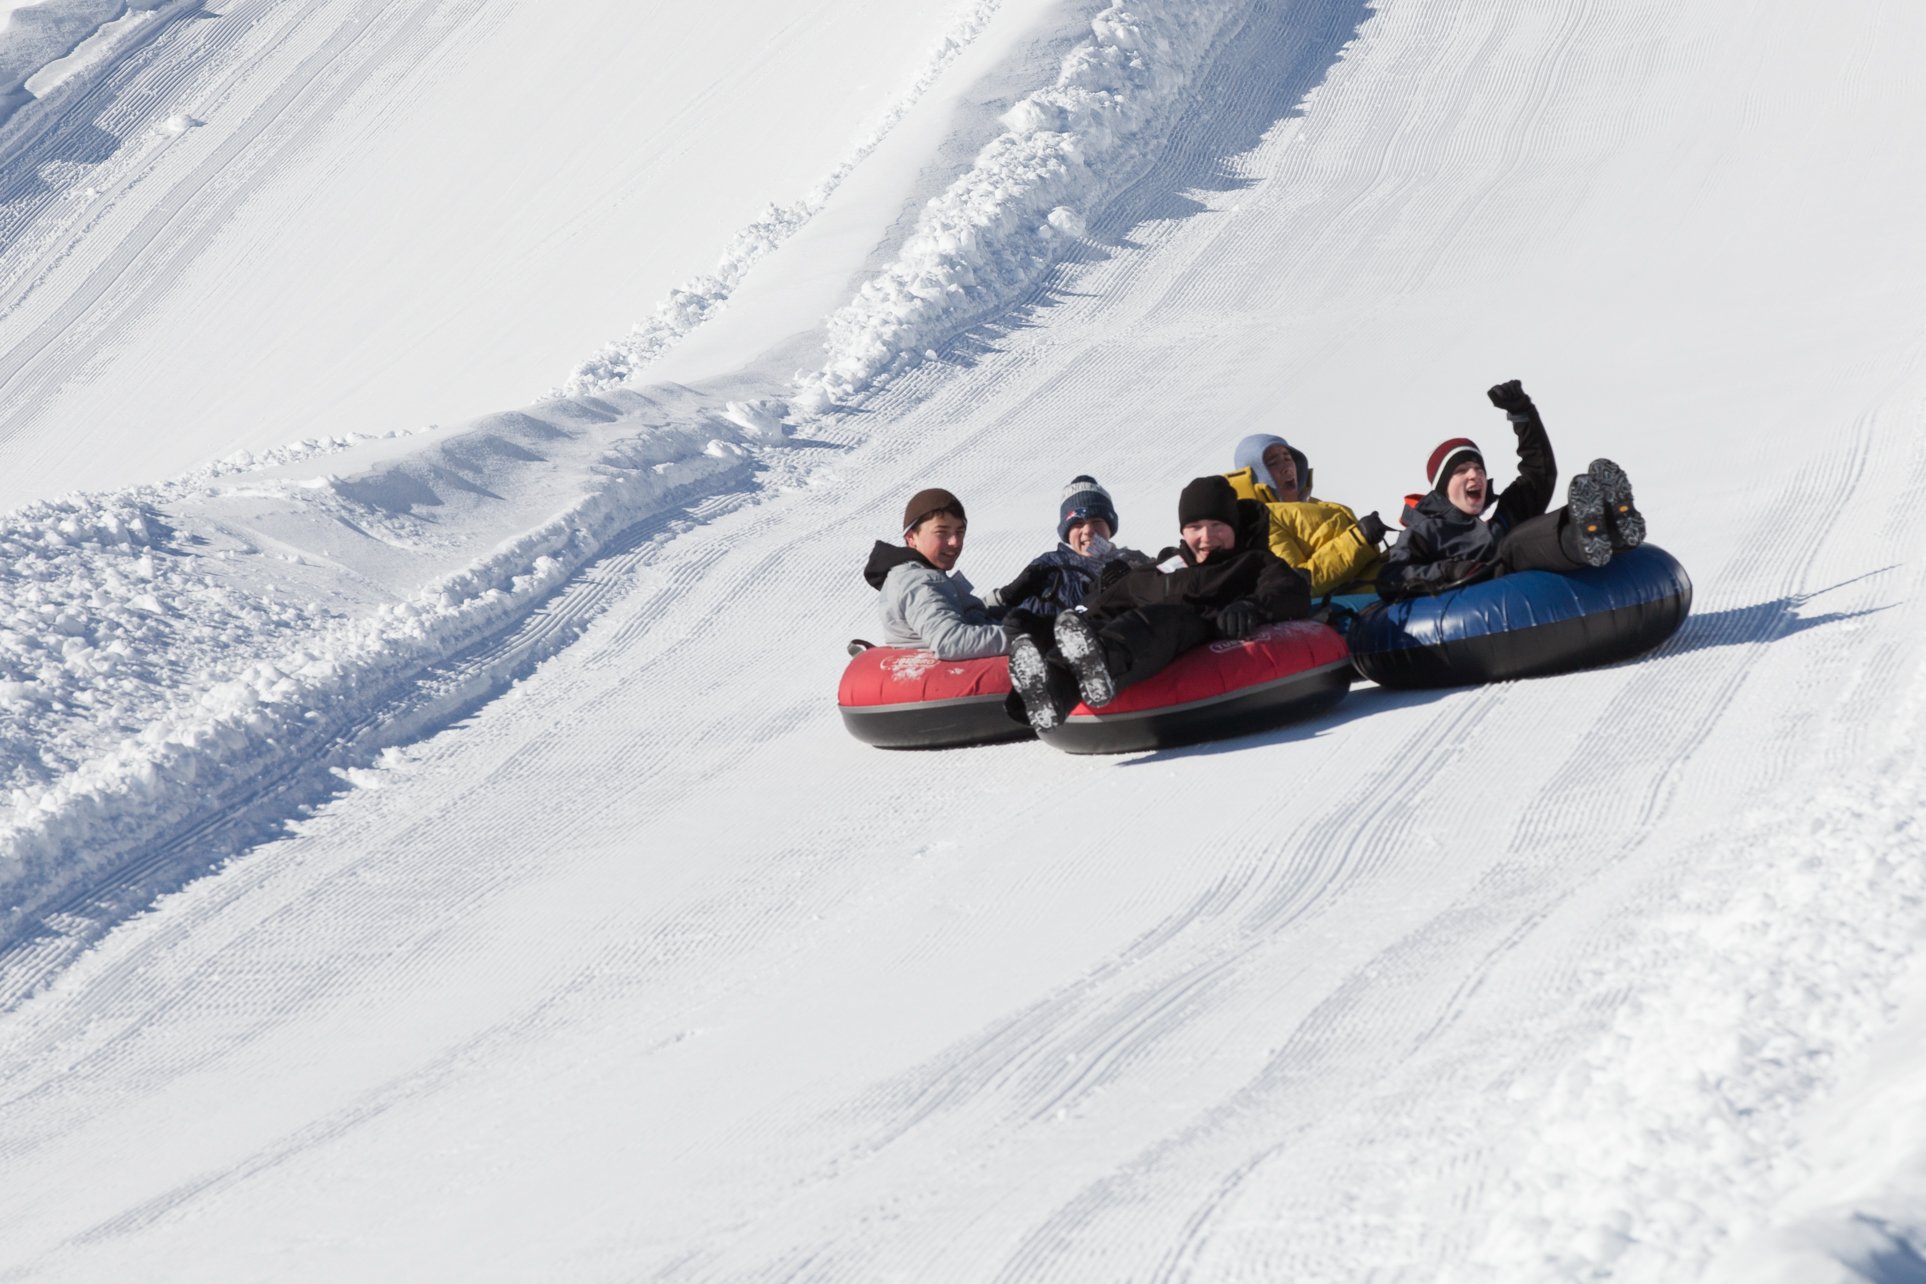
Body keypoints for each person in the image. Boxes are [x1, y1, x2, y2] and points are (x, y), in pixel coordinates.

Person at [1005, 475, 1312, 730]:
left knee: (1159, 619)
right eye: (1195, 528)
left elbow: (1289, 590)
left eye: (1217, 526)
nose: (1206, 537)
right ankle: (1053, 690)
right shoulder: (1166, 565)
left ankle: (1104, 662)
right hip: (1139, 633)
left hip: (1199, 627)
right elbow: (1113, 599)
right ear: (1183, 531)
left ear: (1233, 527)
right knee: (1109, 620)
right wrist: (1049, 629)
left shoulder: (1253, 562)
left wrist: (1252, 607)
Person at [1377, 380, 1646, 600]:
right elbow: (1392, 577)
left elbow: (1539, 472)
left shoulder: (1501, 511)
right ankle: (1587, 536)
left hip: (1533, 575)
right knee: (1515, 543)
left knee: (1533, 528)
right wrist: (1448, 569)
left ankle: (1612, 526)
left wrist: (1523, 414)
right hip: (1483, 590)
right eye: (1461, 471)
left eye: (1479, 469)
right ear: (1442, 488)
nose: (1475, 475)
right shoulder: (1426, 531)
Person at [1224, 434, 1388, 596]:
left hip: (1371, 585)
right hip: (1347, 607)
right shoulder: (1260, 521)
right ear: (1254, 476)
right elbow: (1296, 583)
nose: (1287, 467)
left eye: (1288, 458)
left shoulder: (1313, 504)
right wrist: (1358, 539)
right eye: (1273, 463)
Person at [862, 487, 1011, 659]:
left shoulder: (923, 575)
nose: (955, 542)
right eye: (942, 532)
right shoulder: (917, 582)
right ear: (911, 537)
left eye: (959, 532)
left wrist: (1005, 598)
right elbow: (951, 641)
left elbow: (962, 616)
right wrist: (1027, 635)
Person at [984, 476, 1155, 618]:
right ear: (1066, 531)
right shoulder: (1051, 565)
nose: (1088, 530)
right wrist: (1008, 595)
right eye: (1078, 523)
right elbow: (1014, 616)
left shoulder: (1133, 560)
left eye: (1096, 521)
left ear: (1110, 526)